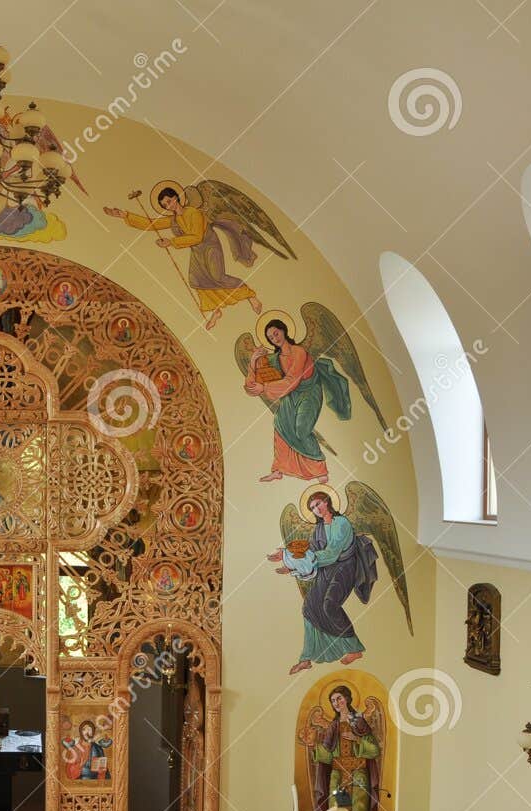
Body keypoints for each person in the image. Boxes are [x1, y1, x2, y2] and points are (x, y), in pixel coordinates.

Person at [105, 184, 263, 329]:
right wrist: (124, 215)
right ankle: (216, 311)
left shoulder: (193, 212)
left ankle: (250, 295)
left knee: (218, 276)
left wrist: (171, 242)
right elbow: (151, 224)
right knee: (197, 279)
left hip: (210, 247)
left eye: (169, 201)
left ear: (176, 197)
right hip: (197, 251)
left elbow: (197, 237)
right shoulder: (174, 219)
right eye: (165, 205)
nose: (169, 205)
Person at [269, 488, 378, 674]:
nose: (316, 509)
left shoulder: (341, 523)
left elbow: (331, 553)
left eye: (318, 504)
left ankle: (355, 648)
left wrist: (289, 558)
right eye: (312, 507)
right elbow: (310, 549)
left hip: (344, 568)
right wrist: (291, 562)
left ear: (327, 502)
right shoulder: (318, 528)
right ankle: (306, 658)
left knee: (329, 605)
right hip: (326, 569)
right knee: (310, 607)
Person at [245, 317, 351, 482]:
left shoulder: (299, 352)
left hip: (309, 393)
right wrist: (253, 361)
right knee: (280, 423)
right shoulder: (275, 359)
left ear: (284, 331)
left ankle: (320, 471)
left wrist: (265, 388)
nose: (275, 338)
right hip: (290, 395)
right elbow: (251, 386)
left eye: (276, 333)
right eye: (271, 338)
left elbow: (292, 381)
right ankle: (278, 470)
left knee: (301, 429)